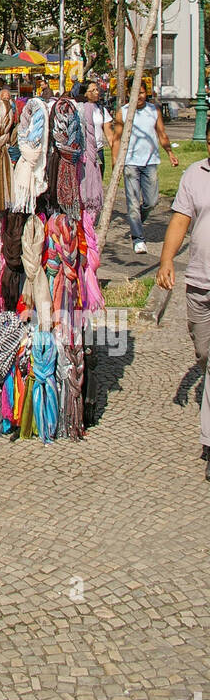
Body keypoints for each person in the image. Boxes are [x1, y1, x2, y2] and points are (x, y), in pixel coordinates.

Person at [157, 125, 210, 479]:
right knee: (205, 354)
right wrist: (166, 261)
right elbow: (180, 220)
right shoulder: (195, 174)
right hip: (199, 283)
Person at [110, 87, 178, 252]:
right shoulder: (124, 112)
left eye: (141, 92)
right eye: (135, 92)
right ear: (128, 93)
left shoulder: (153, 110)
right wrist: (115, 163)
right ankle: (138, 238)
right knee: (132, 203)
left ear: (146, 93)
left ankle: (137, 218)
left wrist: (170, 153)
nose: (138, 96)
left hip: (150, 161)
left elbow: (161, 133)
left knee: (151, 201)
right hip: (130, 163)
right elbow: (117, 139)